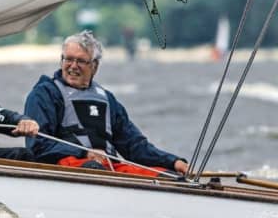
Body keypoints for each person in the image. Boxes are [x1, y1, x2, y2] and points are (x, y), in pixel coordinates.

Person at [24, 30, 189, 177]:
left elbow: (134, 146)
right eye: (69, 59)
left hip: (109, 167)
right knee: (94, 168)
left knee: (170, 176)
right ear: (61, 60)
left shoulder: (107, 99)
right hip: (68, 166)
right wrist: (83, 152)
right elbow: (38, 146)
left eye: (81, 61)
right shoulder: (45, 94)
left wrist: (174, 162)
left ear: (94, 66)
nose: (73, 66)